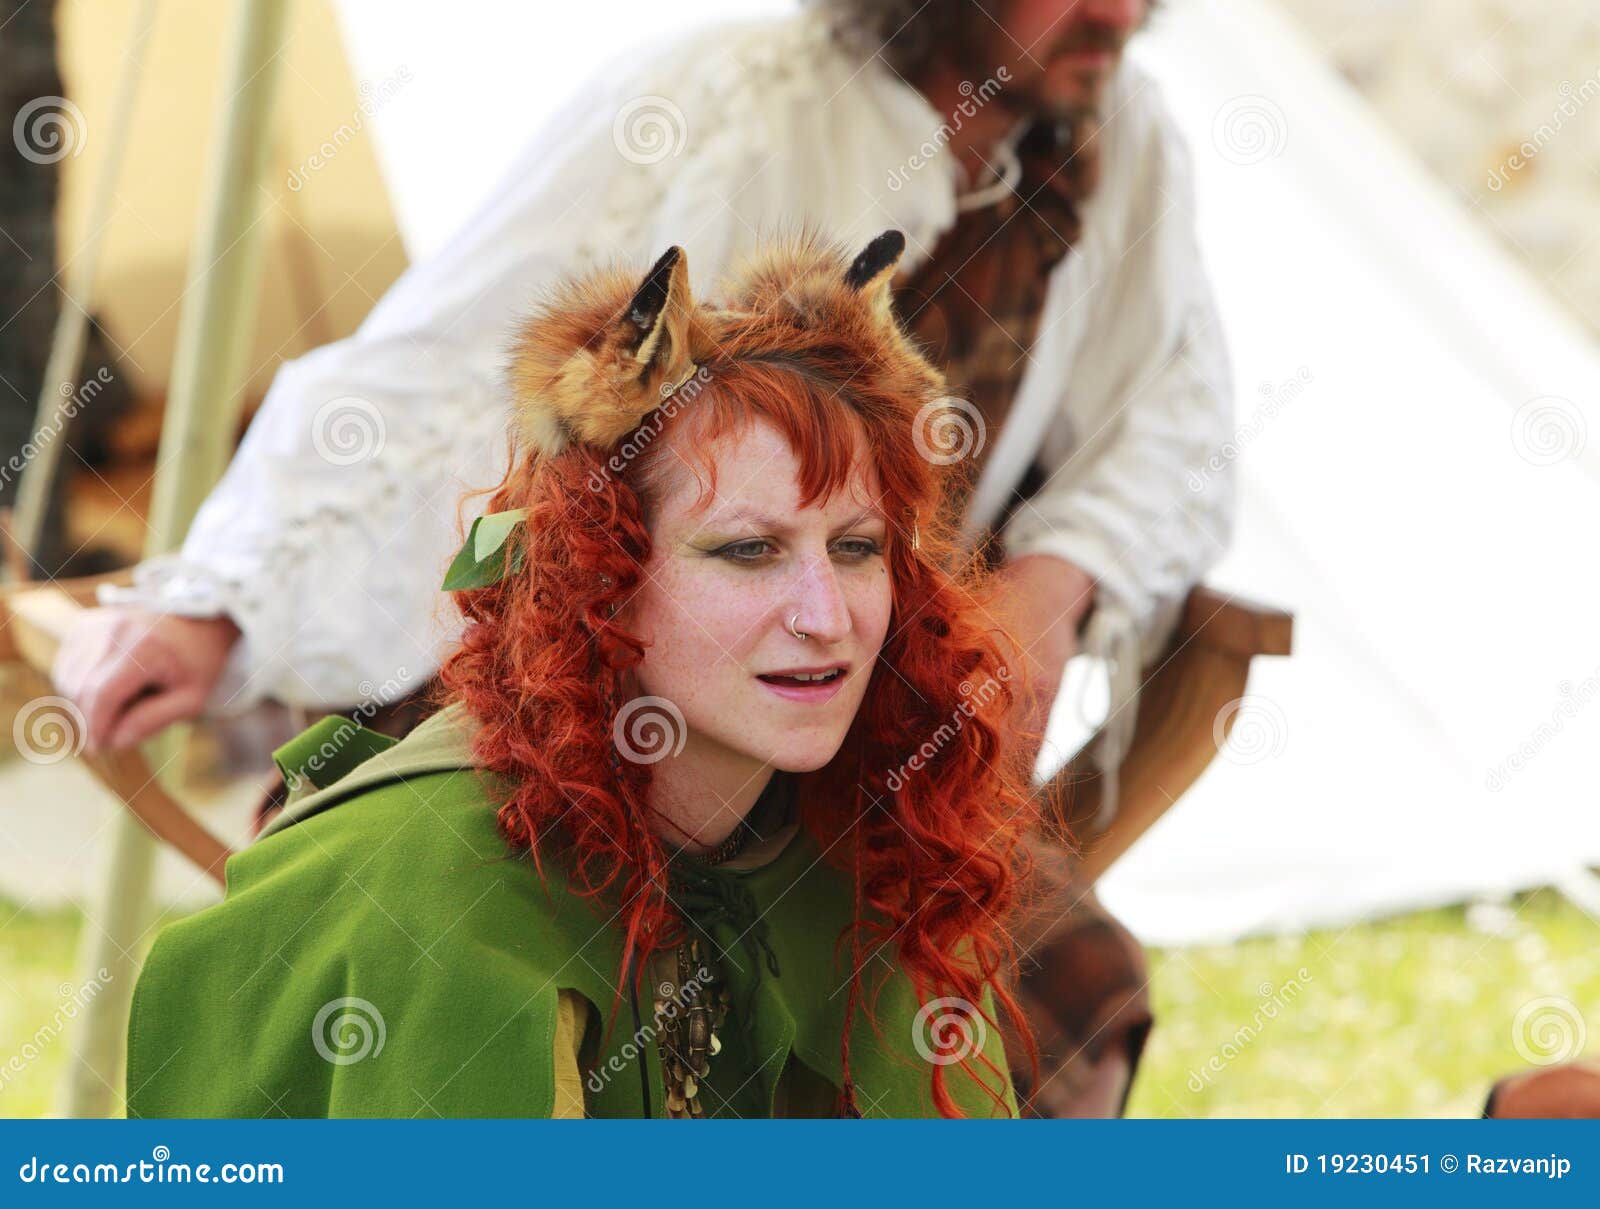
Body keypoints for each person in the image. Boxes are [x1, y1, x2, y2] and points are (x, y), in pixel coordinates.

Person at [67, 0, 1234, 1116]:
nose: (1119, 16)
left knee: (1062, 982)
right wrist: (222, 602)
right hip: (589, 697)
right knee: (477, 959)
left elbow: (1172, 425)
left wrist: (1057, 576)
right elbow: (431, 372)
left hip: (858, 747)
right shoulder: (716, 99)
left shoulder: (1122, 142)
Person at [125, 231, 1041, 1119]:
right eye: (749, 550)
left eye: (854, 547)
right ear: (603, 572)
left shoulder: (859, 839)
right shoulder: (442, 898)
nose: (825, 615)